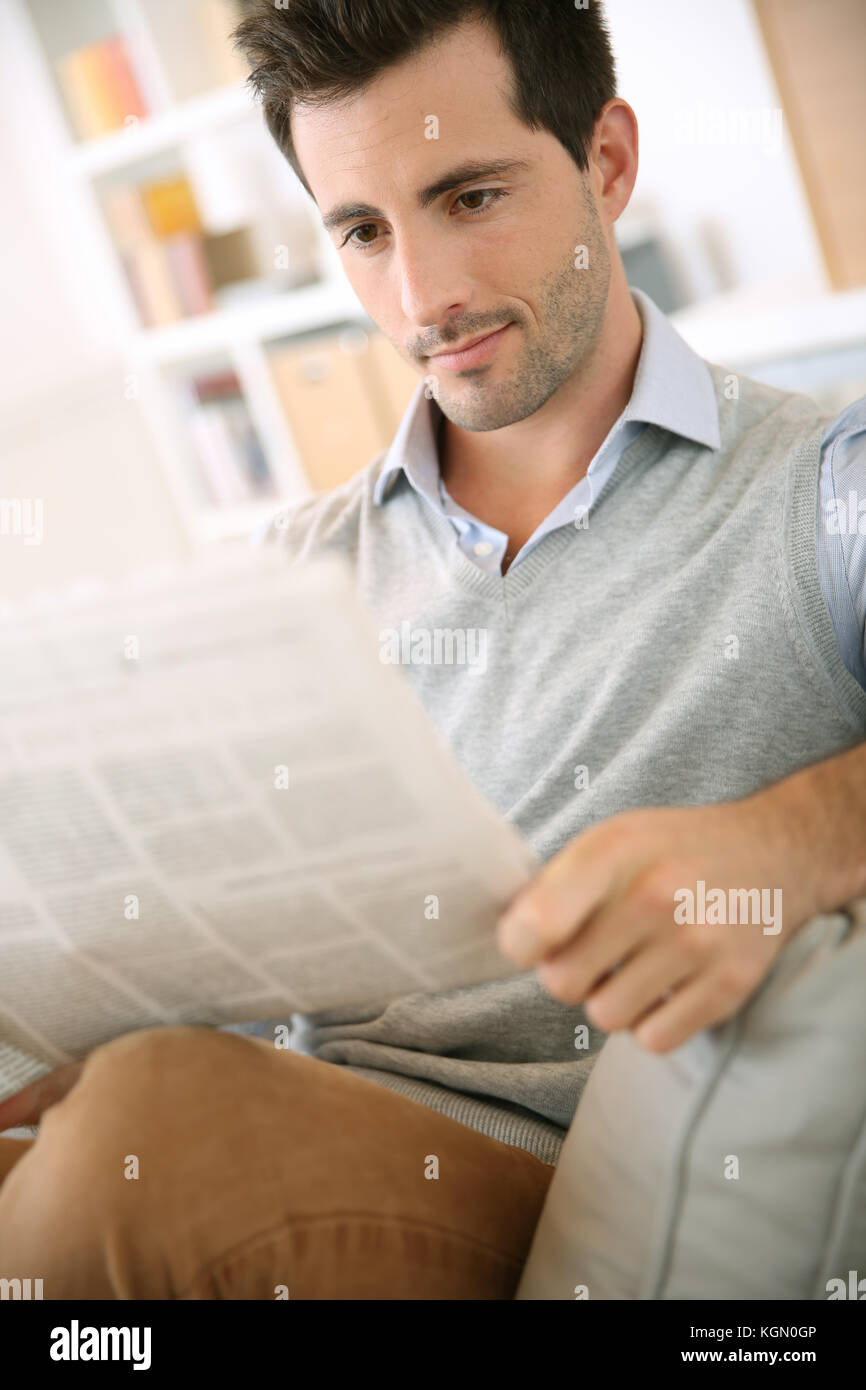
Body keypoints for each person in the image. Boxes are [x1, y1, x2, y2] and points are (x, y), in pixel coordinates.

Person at [1, 0, 864, 1300]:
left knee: (146, 1128)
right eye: (361, 230)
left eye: (468, 196)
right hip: (265, 1113)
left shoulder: (818, 486)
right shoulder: (295, 570)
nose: (423, 297)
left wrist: (788, 836)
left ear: (606, 161)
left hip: (514, 1178)